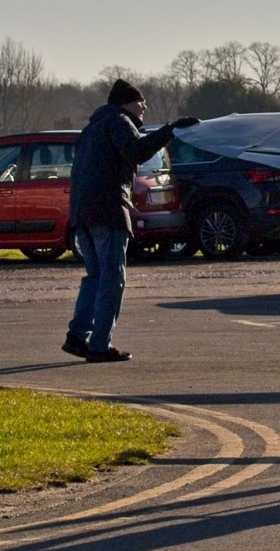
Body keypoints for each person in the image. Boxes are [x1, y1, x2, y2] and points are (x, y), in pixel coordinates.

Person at [64, 80, 195, 362]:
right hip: (108, 212)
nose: (144, 107)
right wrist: (169, 131)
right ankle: (99, 345)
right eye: (140, 102)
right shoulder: (120, 121)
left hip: (82, 214)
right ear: (125, 103)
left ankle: (77, 336)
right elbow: (135, 151)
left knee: (95, 276)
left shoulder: (91, 129)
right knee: (112, 280)